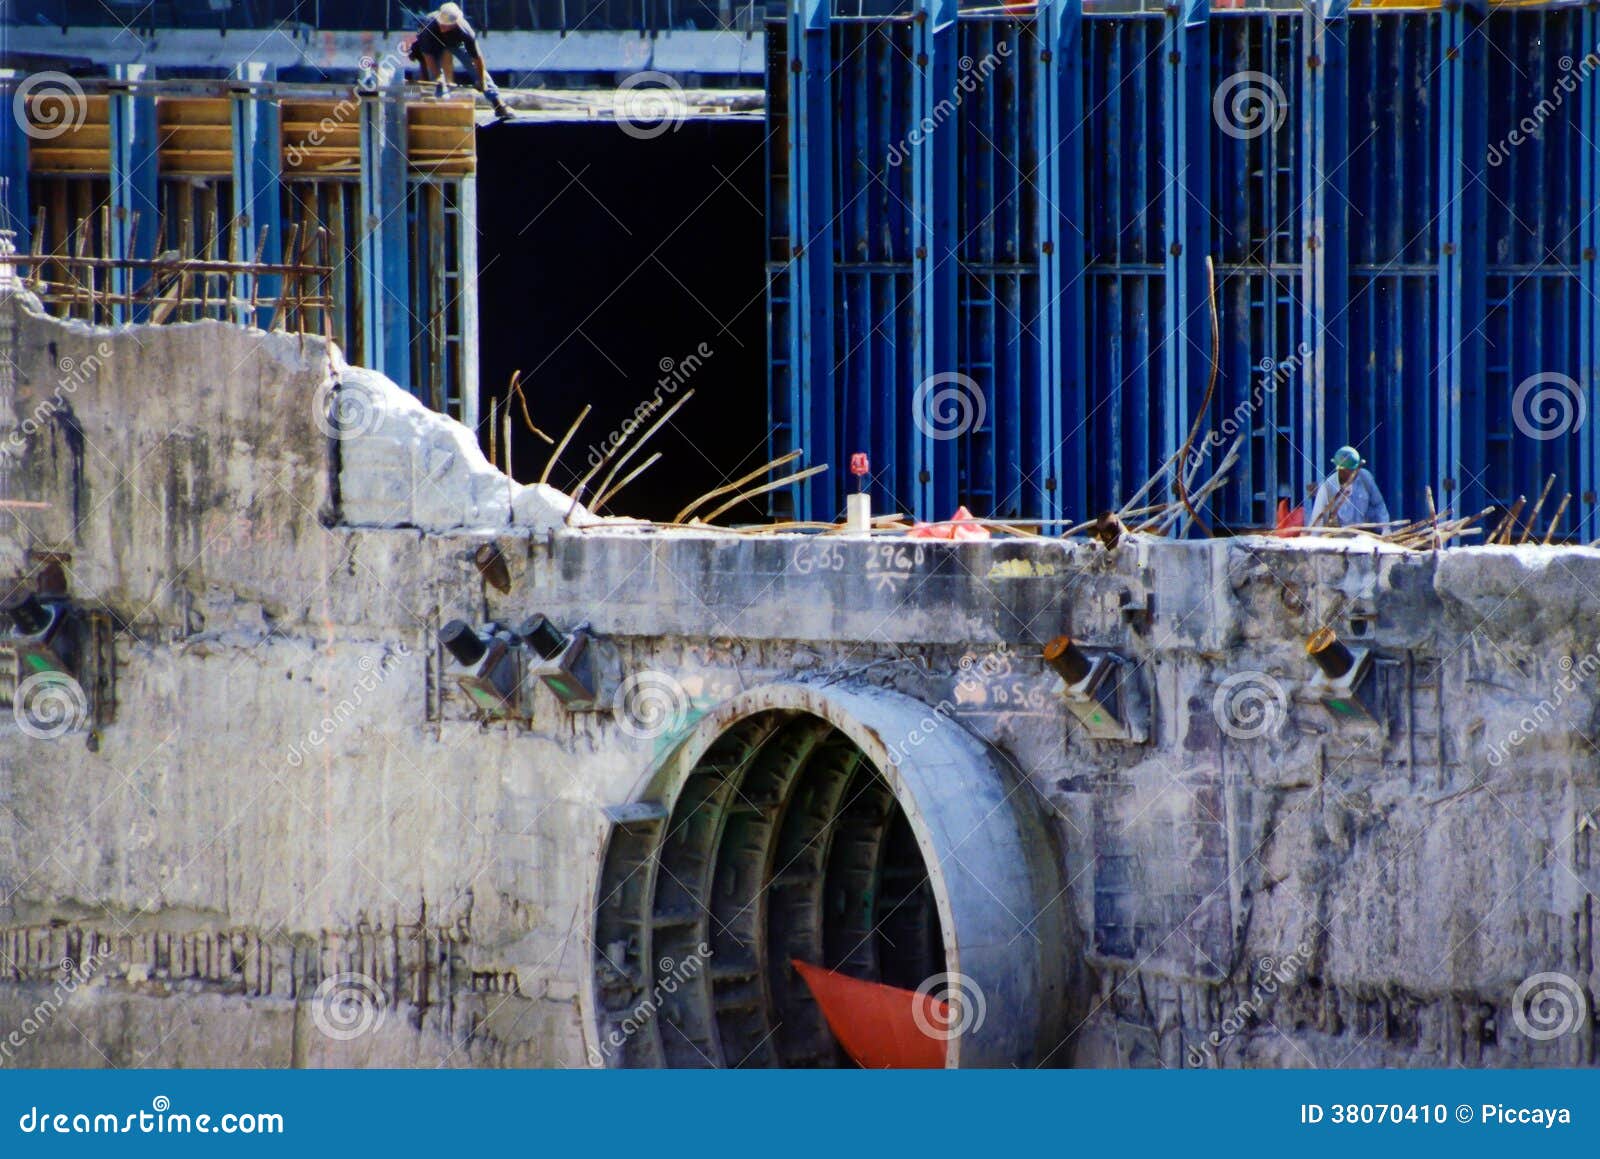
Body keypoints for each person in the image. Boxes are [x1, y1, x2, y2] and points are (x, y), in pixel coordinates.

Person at [406, 3, 512, 120]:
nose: (443, 28)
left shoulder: (465, 31)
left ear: (455, 24)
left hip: (455, 43)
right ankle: (440, 110)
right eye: (441, 24)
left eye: (446, 26)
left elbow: (476, 58)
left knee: (476, 71)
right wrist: (438, 77)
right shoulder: (429, 27)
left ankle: (498, 104)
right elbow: (428, 56)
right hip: (432, 46)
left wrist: (481, 81)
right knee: (436, 82)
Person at [1308, 445, 1391, 529]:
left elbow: (1378, 505)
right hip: (1340, 538)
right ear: (1340, 470)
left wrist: (1385, 529)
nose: (1355, 472)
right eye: (1350, 471)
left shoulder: (1365, 477)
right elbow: (1317, 521)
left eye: (1356, 469)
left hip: (1364, 535)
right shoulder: (1327, 487)